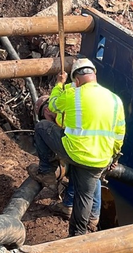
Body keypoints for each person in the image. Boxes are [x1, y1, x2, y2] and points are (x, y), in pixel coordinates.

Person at [32, 57, 125, 236]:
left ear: (76, 80)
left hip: (75, 152)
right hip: (99, 159)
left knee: (42, 127)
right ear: (94, 75)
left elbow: (53, 104)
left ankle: (46, 171)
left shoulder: (73, 94)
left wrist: (60, 84)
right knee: (85, 197)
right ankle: (78, 235)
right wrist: (113, 157)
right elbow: (119, 134)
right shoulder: (115, 100)